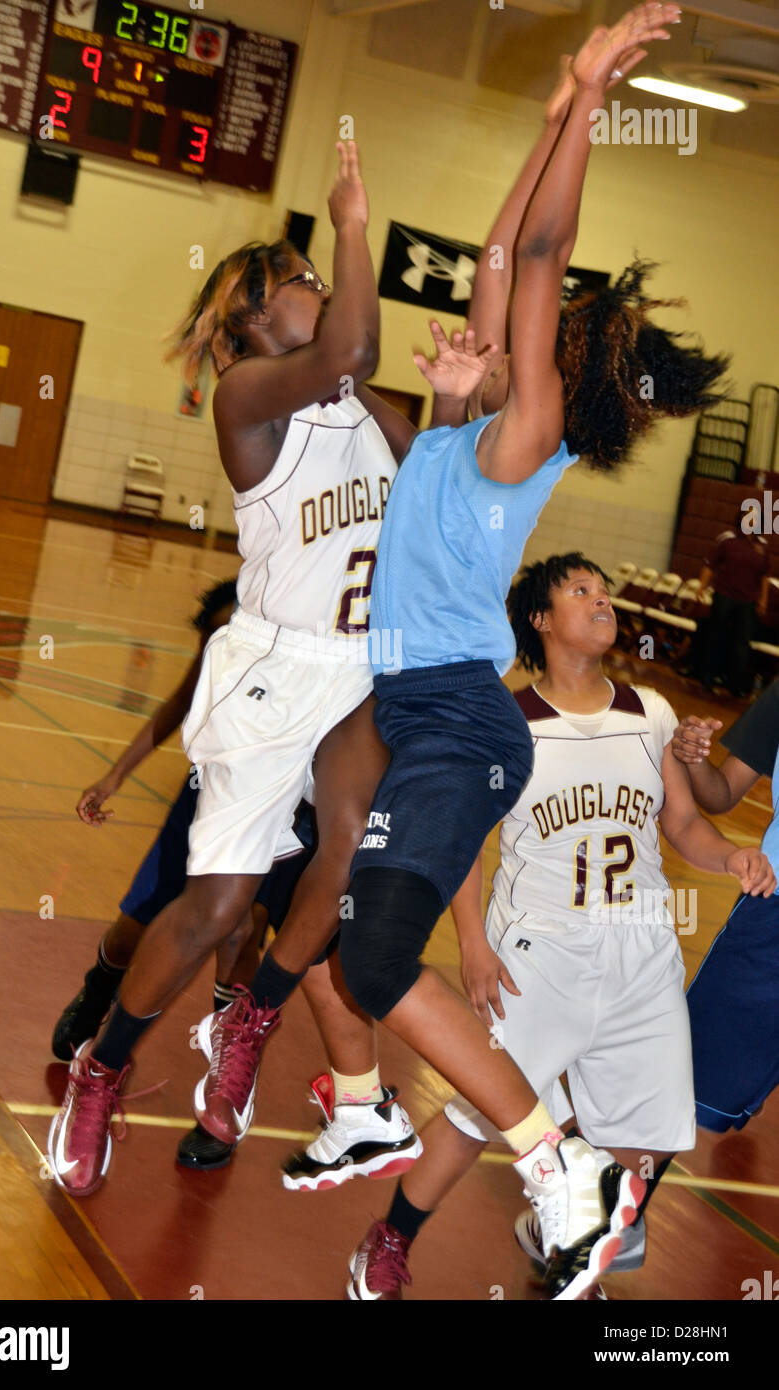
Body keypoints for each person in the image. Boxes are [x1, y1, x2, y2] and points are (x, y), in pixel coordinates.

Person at [196, 6, 732, 1299]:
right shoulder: (446, 436)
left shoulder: (513, 438)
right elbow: (500, 247)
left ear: (528, 381)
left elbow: (538, 253)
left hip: (454, 722)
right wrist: (548, 110)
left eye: (494, 347)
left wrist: (594, 96)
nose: (473, 329)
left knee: (370, 960)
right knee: (332, 941)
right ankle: (387, 1110)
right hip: (411, 708)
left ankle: (560, 1169)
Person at [48, 140, 426, 1199]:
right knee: (215, 905)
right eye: (304, 278)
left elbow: (433, 465)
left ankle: (251, 1018)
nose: (321, 291)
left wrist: (475, 387)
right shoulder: (249, 398)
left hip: (357, 669)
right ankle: (103, 1068)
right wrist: (354, 219)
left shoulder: (362, 407)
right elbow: (352, 337)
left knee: (349, 848)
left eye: (318, 274)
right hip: (272, 670)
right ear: (261, 314)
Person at [342, 554, 774, 1299]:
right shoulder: (505, 722)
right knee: (481, 1110)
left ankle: (574, 1250)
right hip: (540, 950)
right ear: (540, 622)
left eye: (604, 592)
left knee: (637, 1140)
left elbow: (681, 824)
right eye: (581, 592)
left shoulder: (651, 714)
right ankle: (389, 1240)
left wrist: (730, 855)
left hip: (641, 949)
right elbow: (463, 839)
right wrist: (473, 942)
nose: (601, 601)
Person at [671, 681, 779, 1133]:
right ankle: (600, 1202)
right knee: (682, 1091)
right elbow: (721, 793)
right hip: (771, 916)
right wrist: (695, 758)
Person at [692, 511, 769, 696]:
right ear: (741, 519)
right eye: (749, 517)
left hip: (748, 600)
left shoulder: (762, 545)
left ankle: (734, 684)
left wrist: (763, 599)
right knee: (716, 635)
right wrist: (701, 587)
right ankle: (707, 677)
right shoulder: (727, 539)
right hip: (725, 595)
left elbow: (765, 575)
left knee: (741, 642)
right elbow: (710, 564)